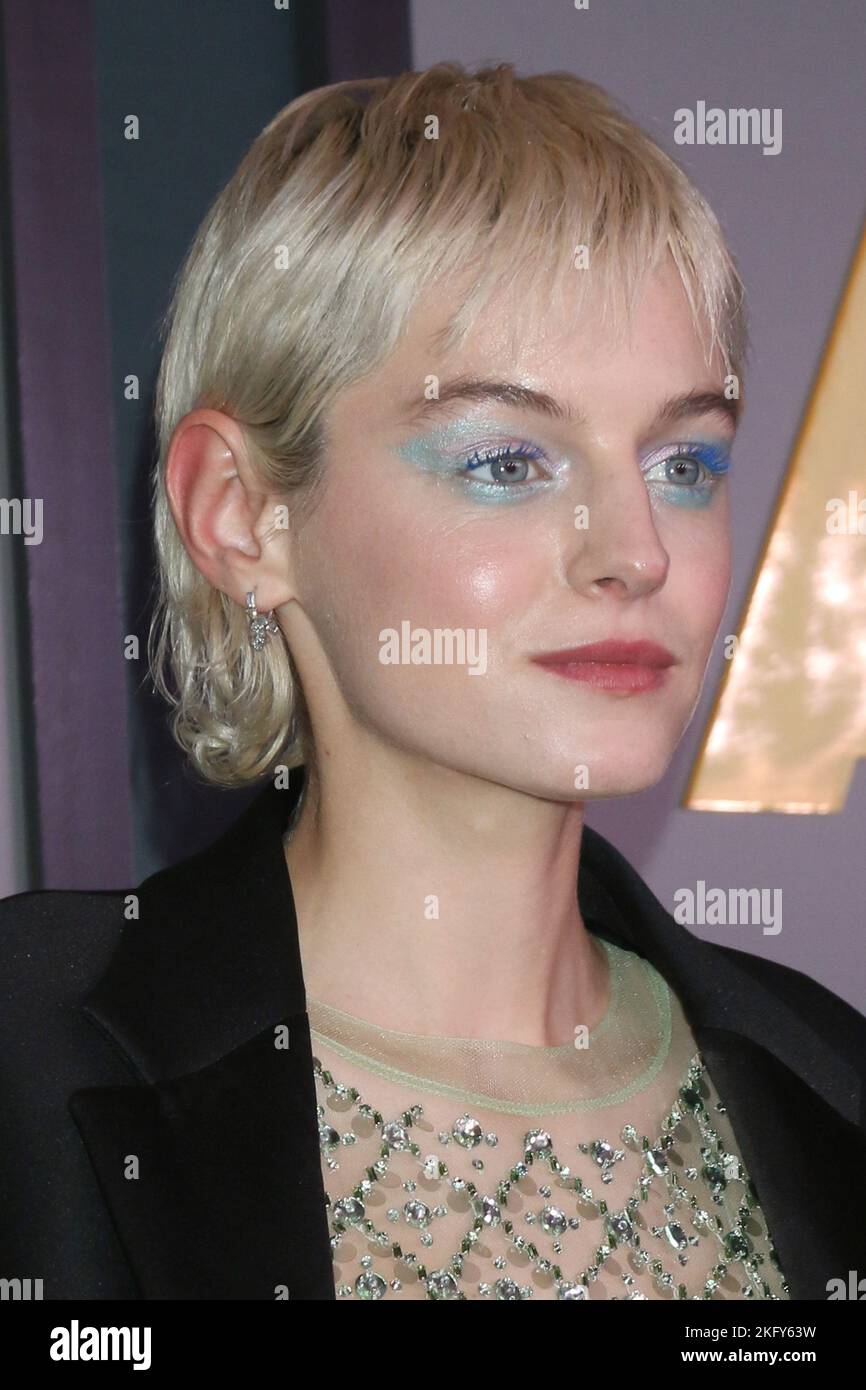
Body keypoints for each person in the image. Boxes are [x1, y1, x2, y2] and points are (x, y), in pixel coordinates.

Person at [2, 61, 865, 1303]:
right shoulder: (27, 1060)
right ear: (242, 514)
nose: (636, 551)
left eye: (683, 461)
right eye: (510, 459)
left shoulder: (828, 1085)